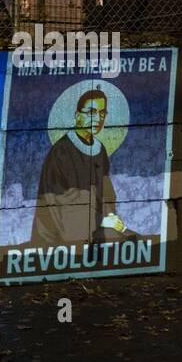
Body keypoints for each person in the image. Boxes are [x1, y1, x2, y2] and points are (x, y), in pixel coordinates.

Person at [29, 88, 129, 247]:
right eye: (91, 112)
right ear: (77, 116)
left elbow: (105, 193)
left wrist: (112, 219)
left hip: (95, 228)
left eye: (102, 113)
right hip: (59, 237)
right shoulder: (62, 152)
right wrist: (101, 220)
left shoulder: (99, 149)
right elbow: (62, 203)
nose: (97, 118)